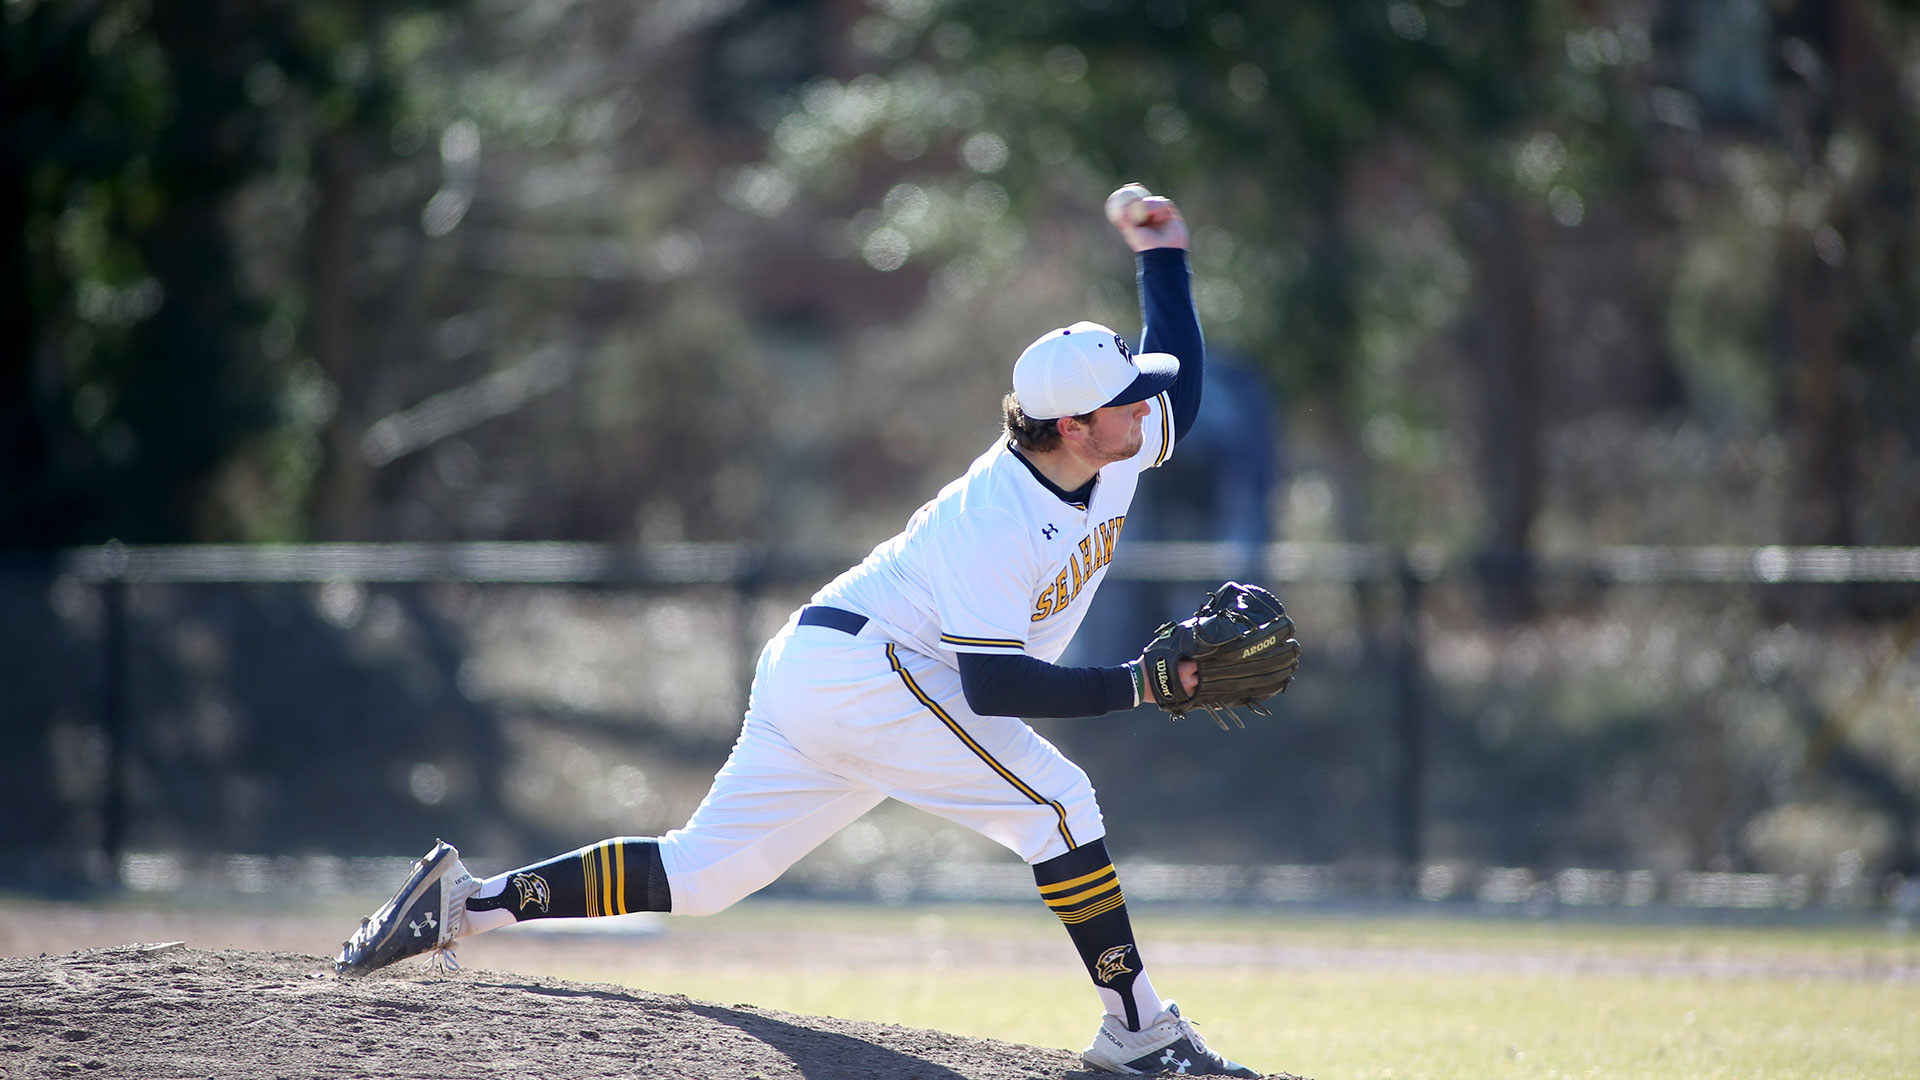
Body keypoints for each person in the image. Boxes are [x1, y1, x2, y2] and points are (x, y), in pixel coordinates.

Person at [337, 187, 1267, 1077]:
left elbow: (1175, 388)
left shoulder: (1114, 440)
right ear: (1070, 423)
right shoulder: (996, 518)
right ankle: (1140, 1030)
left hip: (835, 670)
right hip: (872, 672)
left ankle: (467, 904)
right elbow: (997, 692)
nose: (1146, 408)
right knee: (1058, 807)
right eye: (1125, 399)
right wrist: (1138, 686)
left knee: (702, 877)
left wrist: (1163, 257)